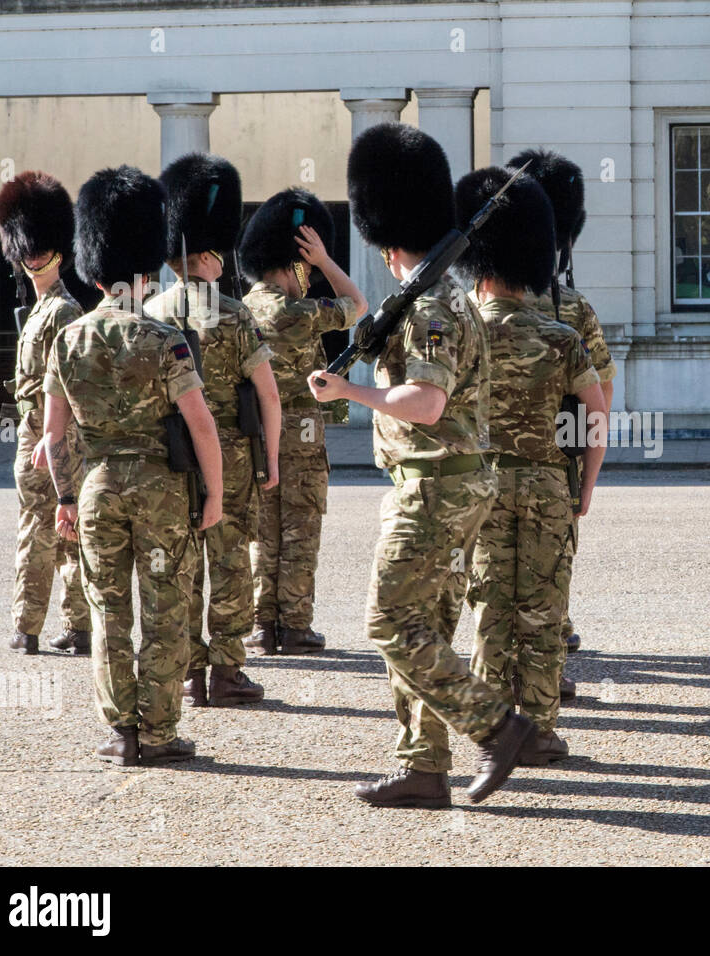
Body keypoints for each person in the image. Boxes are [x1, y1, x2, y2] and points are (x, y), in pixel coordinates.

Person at [309, 122, 535, 807]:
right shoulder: (431, 299)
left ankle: (496, 727)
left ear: (383, 236)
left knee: (387, 622)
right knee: (424, 627)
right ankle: (423, 767)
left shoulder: (432, 305)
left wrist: (349, 390)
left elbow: (428, 402)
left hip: (436, 486)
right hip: (444, 483)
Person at [37, 165, 224, 765]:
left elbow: (52, 433)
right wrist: (215, 493)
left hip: (95, 489)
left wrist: (66, 499)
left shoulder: (67, 339)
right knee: (167, 606)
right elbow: (201, 423)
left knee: (108, 610)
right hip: (162, 488)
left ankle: (120, 732)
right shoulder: (163, 337)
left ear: (92, 271)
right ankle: (162, 732)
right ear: (144, 272)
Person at [458, 165, 607, 766]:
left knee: (490, 609)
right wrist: (586, 486)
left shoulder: (459, 333)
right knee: (545, 614)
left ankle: (495, 728)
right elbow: (594, 418)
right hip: (548, 482)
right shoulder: (560, 336)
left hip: (479, 484)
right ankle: (541, 730)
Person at [146, 153, 280, 706]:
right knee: (230, 557)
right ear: (204, 255)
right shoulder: (235, 312)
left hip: (177, 448)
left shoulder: (153, 309)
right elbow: (268, 392)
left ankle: (191, 671)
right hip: (234, 452)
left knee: (182, 561)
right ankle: (227, 669)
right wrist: (272, 458)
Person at [240, 189, 366, 655]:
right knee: (299, 529)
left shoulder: (239, 309)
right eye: (306, 270)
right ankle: (294, 625)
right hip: (300, 435)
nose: (309, 280)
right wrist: (327, 260)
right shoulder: (297, 312)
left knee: (261, 531)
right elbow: (358, 304)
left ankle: (261, 625)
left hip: (252, 433)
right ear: (294, 263)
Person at [507, 148, 616, 669]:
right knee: (551, 561)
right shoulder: (572, 308)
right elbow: (602, 399)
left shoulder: (475, 308)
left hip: (490, 464)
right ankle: (551, 649)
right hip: (558, 458)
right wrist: (590, 476)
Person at [0, 171, 91, 657]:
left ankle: (34, 627)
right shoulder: (39, 309)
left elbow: (71, 386)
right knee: (55, 529)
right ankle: (70, 627)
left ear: (57, 251)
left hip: (49, 432)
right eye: (26, 252)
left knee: (46, 527)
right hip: (41, 429)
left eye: (40, 251)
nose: (32, 260)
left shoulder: (63, 311)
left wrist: (51, 441)